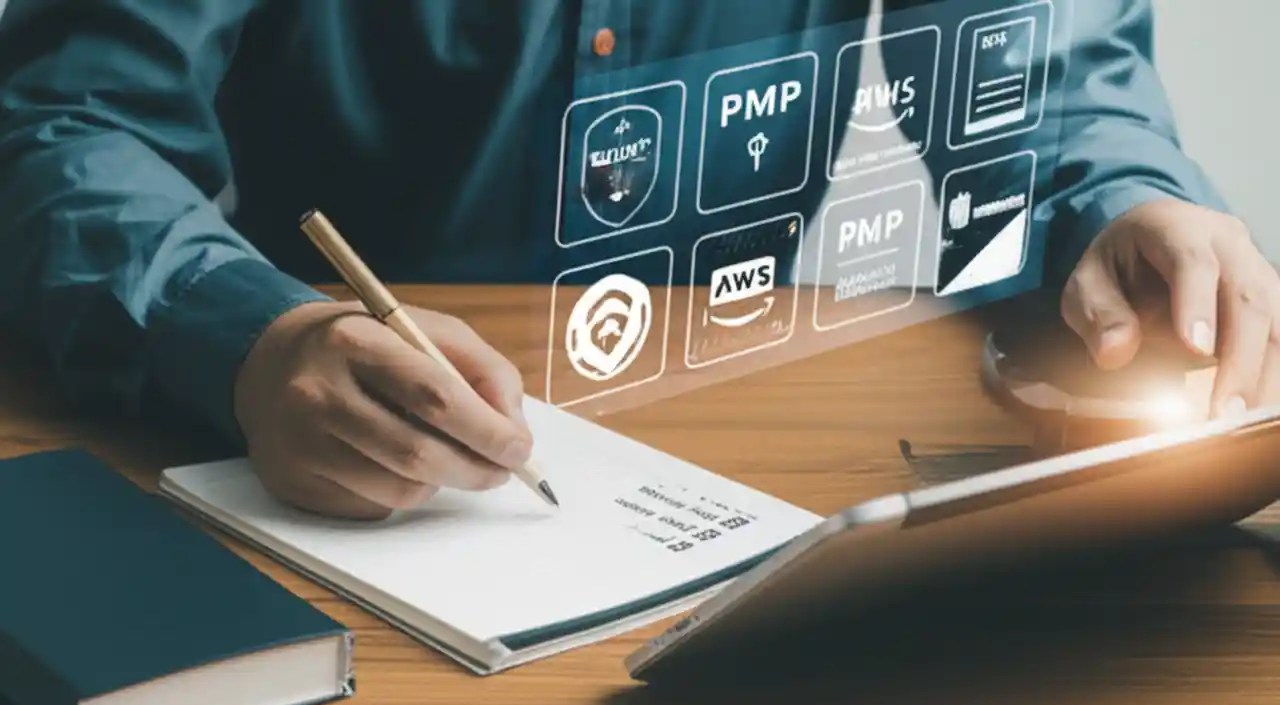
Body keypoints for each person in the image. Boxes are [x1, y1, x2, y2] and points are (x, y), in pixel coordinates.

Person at [0, 0, 1273, 520]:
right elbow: (73, 119)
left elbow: (1030, 67)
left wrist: (1120, 201)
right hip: (282, 484)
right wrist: (244, 334)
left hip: (733, 475)